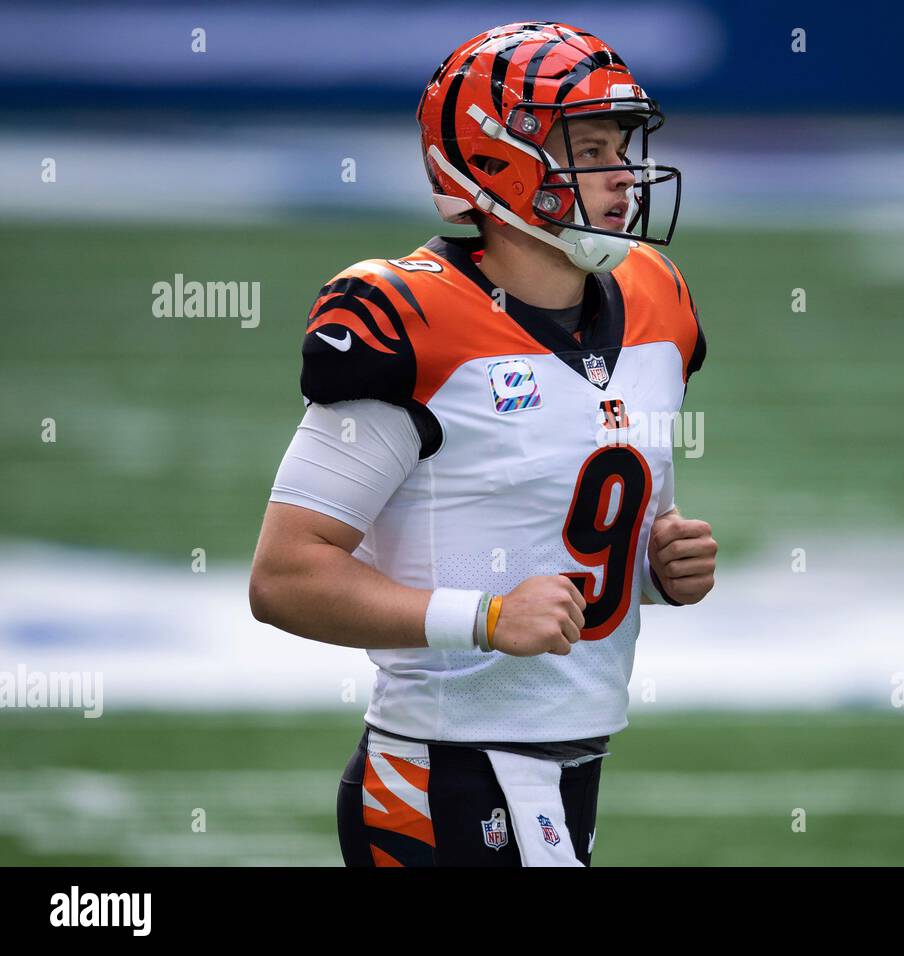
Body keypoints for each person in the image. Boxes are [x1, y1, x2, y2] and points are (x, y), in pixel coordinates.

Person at [248, 21, 715, 867]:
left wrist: (656, 568)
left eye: (622, 145)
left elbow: (559, 536)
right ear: (499, 160)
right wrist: (488, 619)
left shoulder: (657, 302)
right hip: (439, 775)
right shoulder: (410, 321)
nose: (621, 175)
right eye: (589, 147)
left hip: (576, 763)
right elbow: (285, 577)